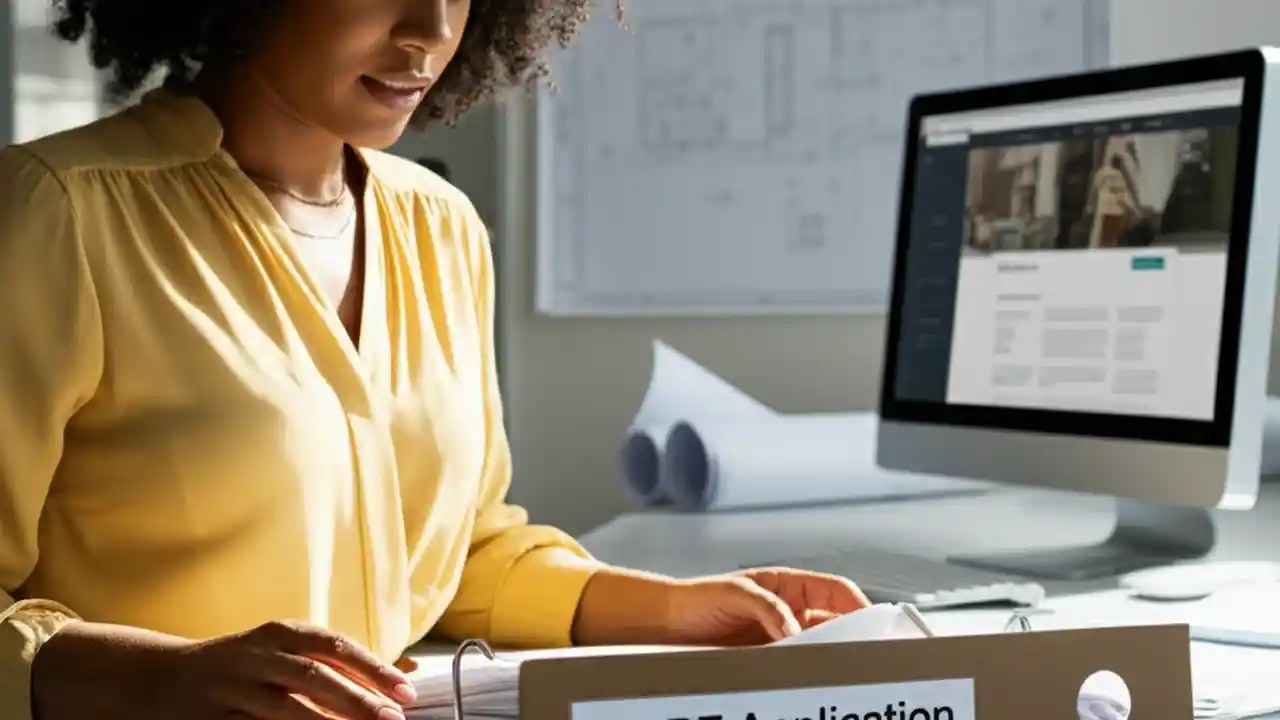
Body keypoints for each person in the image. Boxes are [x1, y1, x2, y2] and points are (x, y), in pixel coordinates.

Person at [0, 2, 872, 719]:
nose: (429, 31)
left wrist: (674, 605)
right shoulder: (57, 212)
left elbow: (461, 552)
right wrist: (158, 677)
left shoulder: (441, 225)